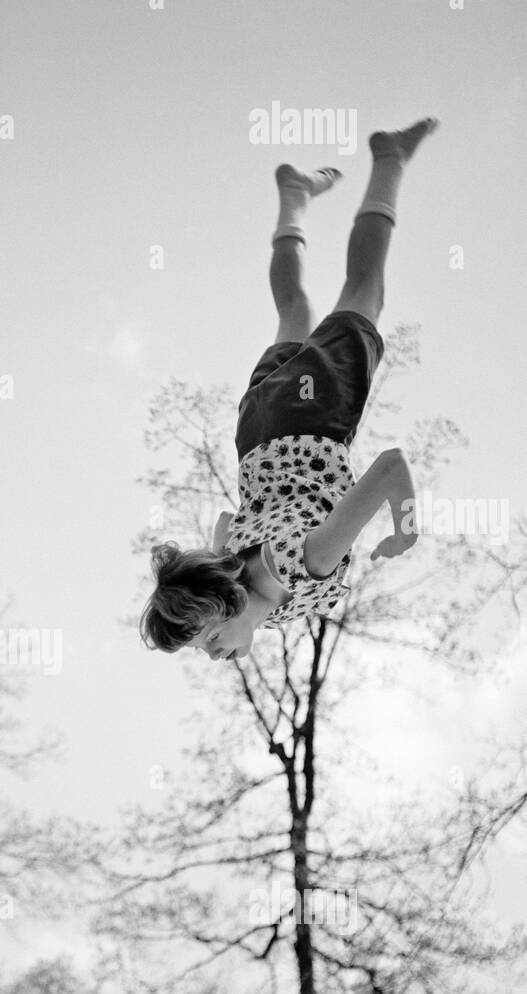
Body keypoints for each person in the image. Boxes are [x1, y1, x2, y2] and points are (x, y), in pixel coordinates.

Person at [141, 119, 437, 661]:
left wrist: (407, 528)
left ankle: (390, 158)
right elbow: (227, 523)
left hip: (311, 415)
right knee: (294, 311)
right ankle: (295, 196)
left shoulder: (307, 562)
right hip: (256, 427)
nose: (212, 655)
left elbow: (392, 465)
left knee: (365, 289)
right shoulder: (234, 561)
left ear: (226, 606)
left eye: (208, 640)